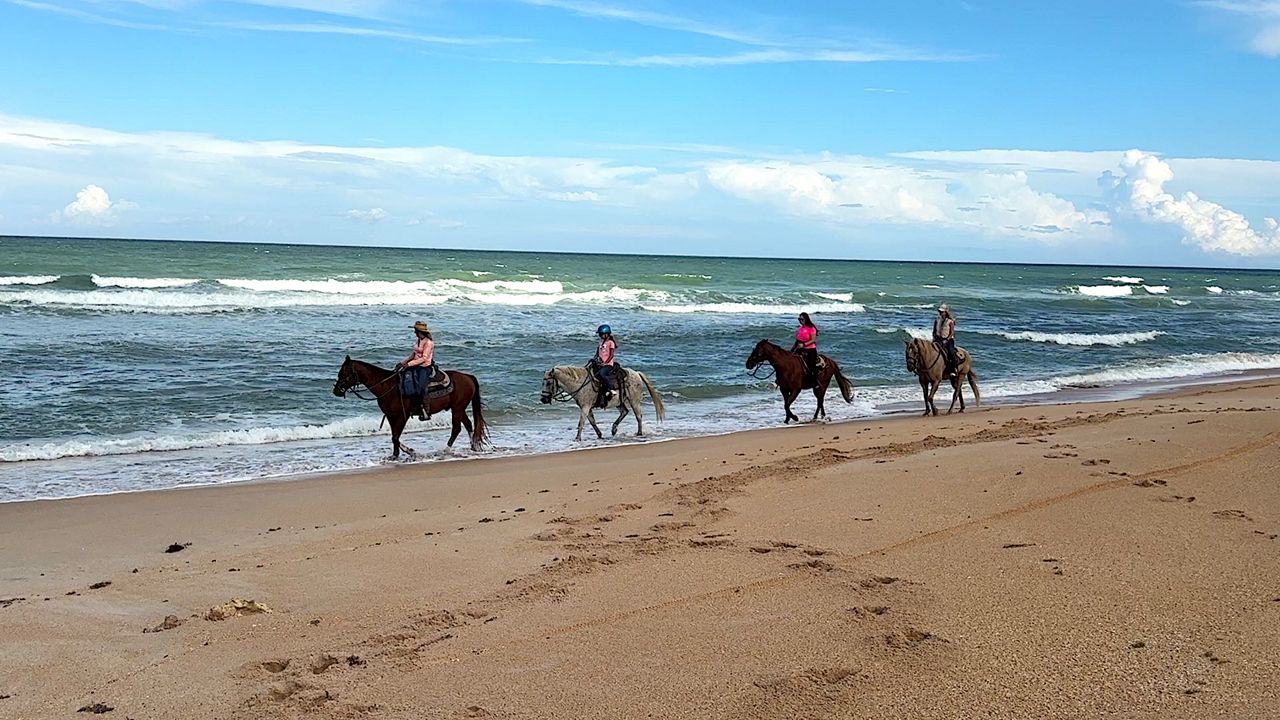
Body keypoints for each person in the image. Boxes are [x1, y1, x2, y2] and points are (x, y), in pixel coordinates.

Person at [399, 320, 436, 420]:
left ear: (420, 331)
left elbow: (424, 358)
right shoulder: (419, 340)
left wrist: (409, 364)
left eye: (415, 331)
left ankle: (425, 410)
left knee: (420, 387)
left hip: (425, 367)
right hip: (415, 364)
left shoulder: (428, 343)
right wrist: (403, 363)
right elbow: (414, 354)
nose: (414, 333)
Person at [593, 324, 618, 407]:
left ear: (607, 334)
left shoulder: (611, 343)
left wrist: (605, 363)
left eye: (601, 334)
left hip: (608, 365)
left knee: (602, 374)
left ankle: (611, 388)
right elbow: (597, 353)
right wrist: (595, 359)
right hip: (600, 363)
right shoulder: (600, 343)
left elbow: (611, 355)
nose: (600, 336)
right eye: (600, 334)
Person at [792, 312, 819, 385]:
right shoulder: (800, 328)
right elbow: (797, 339)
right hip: (799, 347)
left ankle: (815, 381)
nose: (800, 321)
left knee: (811, 364)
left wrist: (804, 344)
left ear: (806, 319)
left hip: (810, 349)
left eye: (801, 319)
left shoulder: (811, 328)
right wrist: (793, 348)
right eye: (799, 319)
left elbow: (813, 340)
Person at [933, 303, 958, 376]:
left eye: (942, 312)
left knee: (951, 352)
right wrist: (934, 337)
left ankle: (953, 369)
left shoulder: (950, 321)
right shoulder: (937, 320)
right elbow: (934, 331)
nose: (940, 313)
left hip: (948, 340)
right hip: (938, 339)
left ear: (946, 312)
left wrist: (947, 340)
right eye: (940, 312)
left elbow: (952, 332)